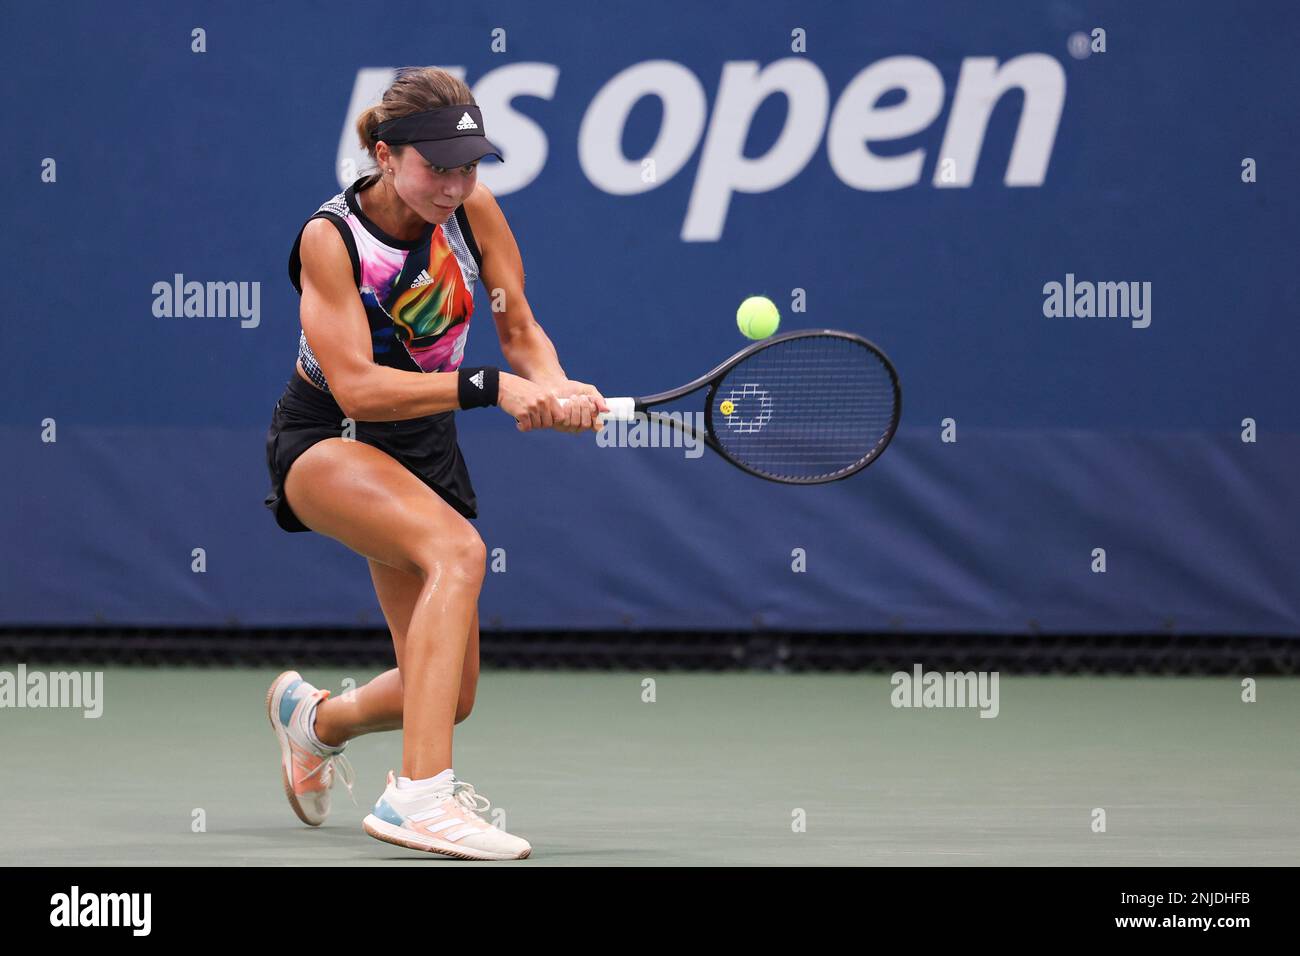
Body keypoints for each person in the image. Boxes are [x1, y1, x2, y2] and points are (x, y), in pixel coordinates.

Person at [262, 66, 606, 861]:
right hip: (332, 438)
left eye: (468, 166)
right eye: (436, 166)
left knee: (445, 695)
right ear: (386, 155)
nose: (455, 184)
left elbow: (517, 330)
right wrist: (495, 389)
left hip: (423, 448)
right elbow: (359, 385)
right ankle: (420, 799)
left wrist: (555, 389)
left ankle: (312, 722)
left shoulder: (473, 211)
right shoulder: (332, 238)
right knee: (459, 551)